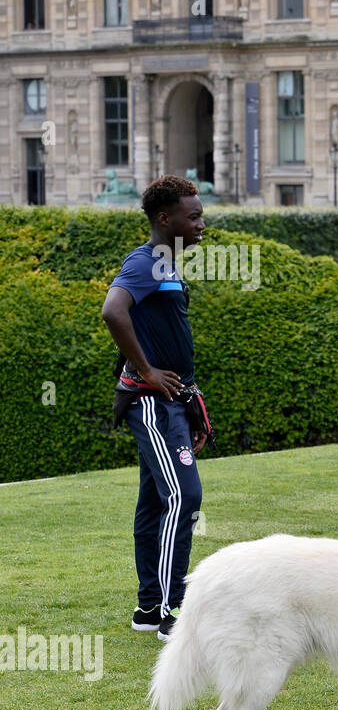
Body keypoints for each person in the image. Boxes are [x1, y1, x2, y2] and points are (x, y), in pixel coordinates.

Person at [100, 175, 209, 641]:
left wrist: (191, 396)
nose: (202, 222)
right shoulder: (144, 262)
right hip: (152, 405)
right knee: (184, 497)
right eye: (194, 215)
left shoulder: (167, 264)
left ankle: (148, 609)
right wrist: (145, 370)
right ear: (166, 219)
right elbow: (112, 311)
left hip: (172, 402)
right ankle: (172, 611)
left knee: (153, 503)